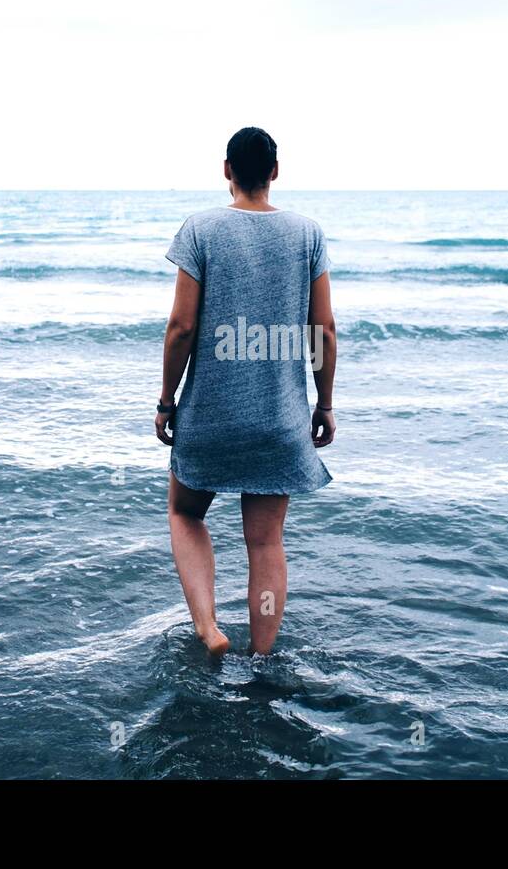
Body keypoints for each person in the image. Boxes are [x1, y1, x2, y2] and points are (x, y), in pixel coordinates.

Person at [155, 126, 336, 656]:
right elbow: (321, 331)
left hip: (211, 414)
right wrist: (323, 403)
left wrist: (167, 402)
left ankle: (210, 630)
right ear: (275, 172)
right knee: (265, 541)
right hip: (279, 417)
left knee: (186, 513)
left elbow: (181, 328)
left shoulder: (200, 230)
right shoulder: (307, 234)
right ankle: (261, 659)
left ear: (227, 170)